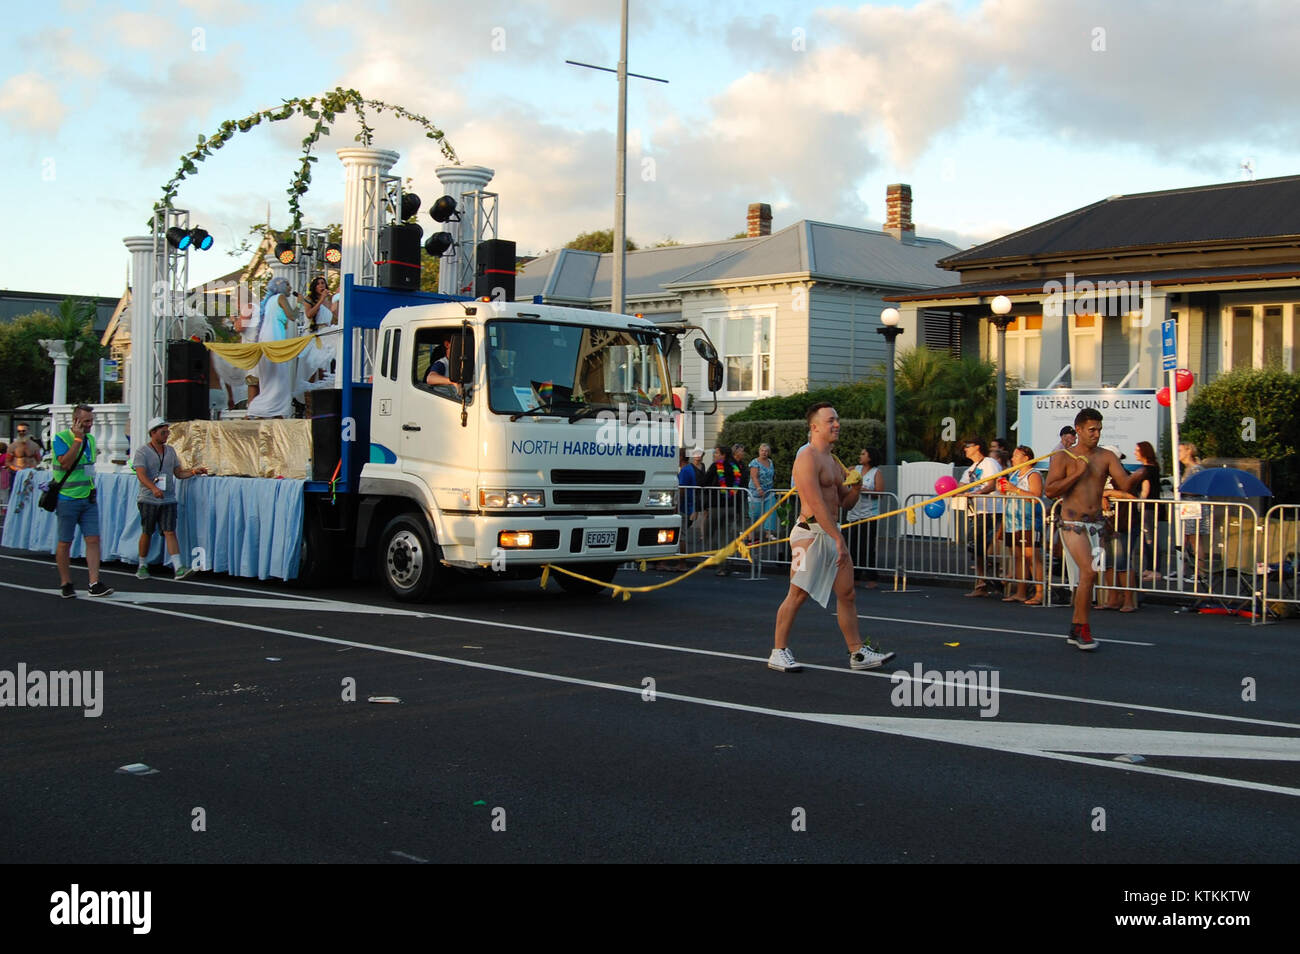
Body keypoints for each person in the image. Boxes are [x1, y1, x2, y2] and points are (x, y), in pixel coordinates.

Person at [768, 403, 895, 672]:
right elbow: (815, 503)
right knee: (797, 594)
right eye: (830, 421)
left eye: (837, 419)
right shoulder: (807, 456)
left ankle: (857, 652)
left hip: (830, 532)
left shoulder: (832, 460)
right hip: (809, 535)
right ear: (814, 427)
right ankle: (778, 651)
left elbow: (844, 504)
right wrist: (838, 539)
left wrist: (857, 487)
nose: (836, 424)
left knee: (847, 594)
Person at [1044, 407, 1143, 650]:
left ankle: (1076, 626)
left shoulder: (1106, 456)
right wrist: (1076, 474)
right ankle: (1082, 629)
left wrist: (1143, 472)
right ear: (1078, 430)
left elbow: (1125, 484)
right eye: (1092, 430)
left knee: (1091, 577)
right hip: (1071, 524)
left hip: (1096, 526)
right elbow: (1050, 490)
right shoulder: (1063, 457)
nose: (1096, 434)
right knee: (1088, 573)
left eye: (1099, 429)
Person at [133, 417, 208, 580]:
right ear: (153, 433)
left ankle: (178, 567)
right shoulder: (142, 452)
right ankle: (142, 565)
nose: (166, 435)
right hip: (148, 499)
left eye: (167, 432)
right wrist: (153, 489)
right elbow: (140, 474)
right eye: (163, 432)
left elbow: (178, 473)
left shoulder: (171, 451)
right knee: (147, 531)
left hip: (168, 498)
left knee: (170, 531)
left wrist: (194, 471)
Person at [52, 404, 112, 598]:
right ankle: (65, 582)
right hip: (67, 498)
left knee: (93, 539)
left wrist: (92, 489)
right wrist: (77, 440)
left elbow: (90, 467)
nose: (89, 425)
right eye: (86, 421)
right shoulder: (61, 438)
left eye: (91, 421)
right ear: (75, 420)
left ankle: (94, 582)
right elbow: (65, 462)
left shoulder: (91, 440)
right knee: (65, 542)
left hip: (88, 498)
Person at [246, 277, 300, 419]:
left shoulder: (270, 301)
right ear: (281, 287)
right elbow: (292, 316)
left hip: (267, 337)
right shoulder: (280, 297)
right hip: (274, 338)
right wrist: (299, 304)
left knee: (270, 376)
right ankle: (272, 410)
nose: (290, 287)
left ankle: (266, 410)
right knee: (279, 374)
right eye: (287, 284)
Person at [1002, 445, 1045, 604]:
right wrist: (1005, 490)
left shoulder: (1033, 474)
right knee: (1018, 557)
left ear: (1026, 458)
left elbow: (1036, 496)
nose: (1013, 459)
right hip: (1012, 522)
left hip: (1029, 522)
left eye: (1016, 455)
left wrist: (1015, 490)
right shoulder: (1014, 474)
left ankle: (1039, 592)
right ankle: (1020, 591)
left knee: (1032, 556)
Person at [958, 437, 1001, 597]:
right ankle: (982, 583)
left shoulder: (989, 462)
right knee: (975, 547)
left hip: (990, 510)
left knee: (979, 545)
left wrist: (978, 493)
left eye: (967, 445)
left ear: (977, 447)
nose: (965, 449)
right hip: (976, 511)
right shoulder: (970, 469)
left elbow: (993, 483)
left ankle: (989, 579)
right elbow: (961, 486)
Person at [844, 446, 884, 588]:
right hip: (853, 514)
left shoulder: (876, 473)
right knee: (851, 547)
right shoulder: (854, 469)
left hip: (869, 515)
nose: (860, 456)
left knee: (867, 547)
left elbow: (880, 493)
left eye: (863, 454)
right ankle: (854, 577)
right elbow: (841, 479)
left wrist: (865, 490)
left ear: (870, 457)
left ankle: (872, 578)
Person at [1130, 441, 1164, 582]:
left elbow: (1145, 490)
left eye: (1137, 450)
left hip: (1148, 508)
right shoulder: (1153, 468)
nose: (1135, 453)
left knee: (1150, 539)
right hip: (1151, 507)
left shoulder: (1146, 470)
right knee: (1148, 539)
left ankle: (1154, 569)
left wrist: (1138, 505)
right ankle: (1150, 568)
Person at [748, 443, 778, 542]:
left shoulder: (770, 461)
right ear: (759, 451)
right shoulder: (754, 462)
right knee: (754, 514)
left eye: (766, 451)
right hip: (756, 493)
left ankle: (768, 533)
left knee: (771, 512)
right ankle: (750, 534)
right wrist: (759, 488)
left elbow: (772, 474)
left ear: (768, 453)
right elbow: (754, 476)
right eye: (762, 450)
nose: (764, 453)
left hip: (769, 492)